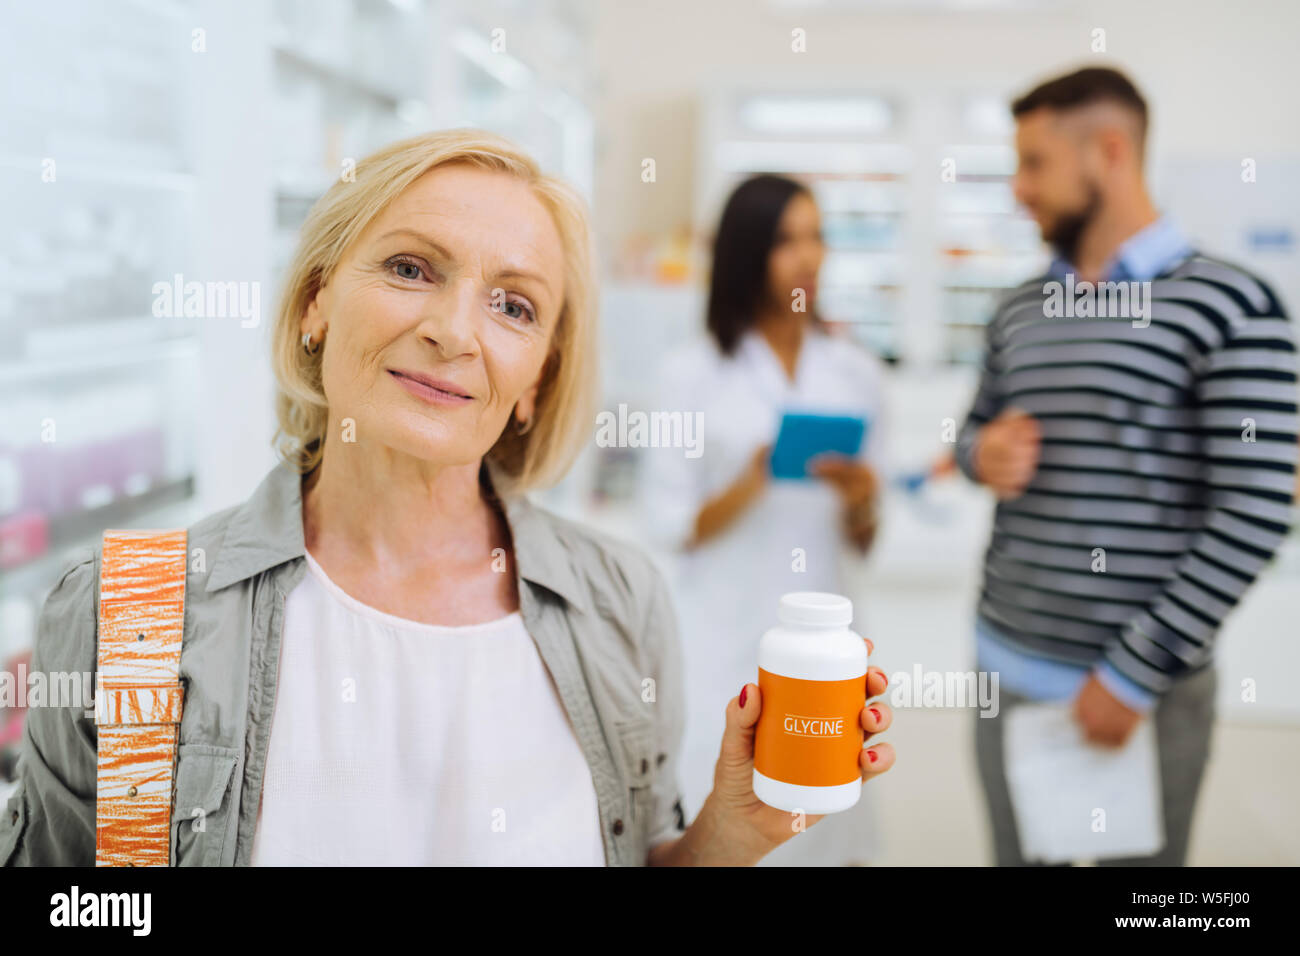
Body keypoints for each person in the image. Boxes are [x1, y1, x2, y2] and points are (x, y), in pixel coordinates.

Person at [0, 130, 895, 867]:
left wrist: (725, 838)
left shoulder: (619, 605)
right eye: (411, 269)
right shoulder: (135, 614)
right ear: (316, 302)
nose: (453, 330)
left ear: (538, 378)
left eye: (512, 305)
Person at [955, 67, 1298, 866]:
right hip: (1002, 667)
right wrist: (982, 453)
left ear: (1108, 151)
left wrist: (1132, 674)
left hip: (1142, 695)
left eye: (1034, 164)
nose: (1019, 189)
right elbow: (971, 434)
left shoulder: (1233, 304)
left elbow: (1256, 511)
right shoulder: (1017, 309)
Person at [644, 174, 889, 866]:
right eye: (787, 240)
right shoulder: (690, 373)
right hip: (721, 626)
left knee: (824, 817)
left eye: (816, 237)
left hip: (827, 623)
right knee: (725, 816)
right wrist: (752, 479)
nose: (808, 256)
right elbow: (670, 522)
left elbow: (868, 540)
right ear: (748, 253)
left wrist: (861, 496)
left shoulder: (855, 372)